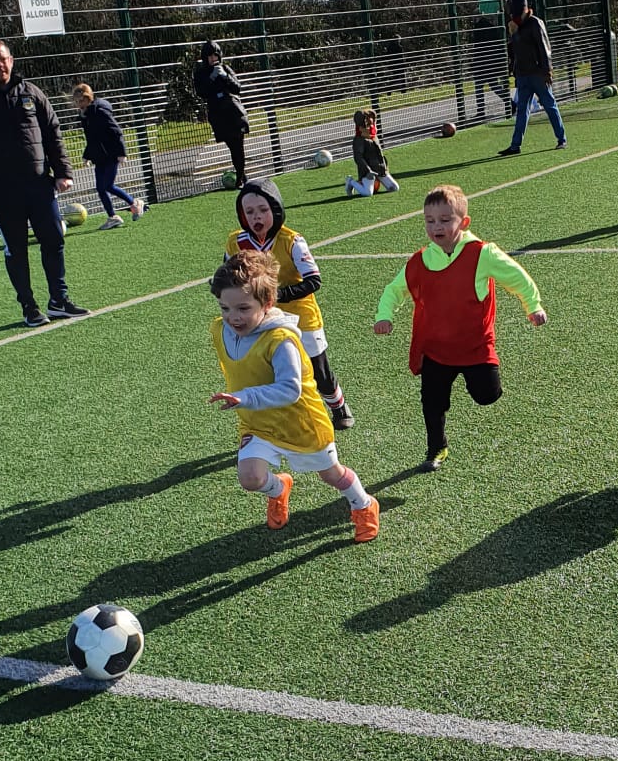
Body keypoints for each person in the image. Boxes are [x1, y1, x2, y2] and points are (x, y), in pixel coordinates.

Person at [373, 182, 547, 469]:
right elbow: (395, 289)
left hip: (475, 347)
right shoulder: (420, 260)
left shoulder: (482, 253)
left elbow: (517, 277)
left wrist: (533, 306)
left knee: (486, 395)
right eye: (430, 221)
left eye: (445, 220)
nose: (436, 227)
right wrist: (384, 316)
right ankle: (436, 448)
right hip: (435, 350)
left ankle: (481, 384)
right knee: (432, 402)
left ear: (464, 223)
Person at [208, 252, 379, 542]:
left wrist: (245, 396)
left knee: (331, 475)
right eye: (225, 307)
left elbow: (290, 389)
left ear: (268, 303)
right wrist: (244, 399)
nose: (233, 317)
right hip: (258, 423)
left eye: (243, 308)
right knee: (250, 478)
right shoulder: (219, 329)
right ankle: (279, 489)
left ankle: (363, 504)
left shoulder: (281, 340)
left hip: (301, 424)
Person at [0, 37, 87, 326]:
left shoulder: (32, 93)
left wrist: (63, 172)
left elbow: (52, 133)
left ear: (11, 60)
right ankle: (30, 307)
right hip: (2, 189)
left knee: (54, 239)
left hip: (39, 183)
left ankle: (59, 300)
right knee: (16, 248)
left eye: (3, 59)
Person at [225, 177, 355, 429]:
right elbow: (229, 276)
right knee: (269, 371)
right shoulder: (236, 242)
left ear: (275, 209)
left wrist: (275, 295)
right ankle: (279, 421)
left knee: (318, 371)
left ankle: (338, 406)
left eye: (263, 210)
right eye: (249, 212)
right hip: (262, 319)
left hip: (301, 315)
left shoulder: (292, 240)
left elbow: (314, 281)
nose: (256, 217)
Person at [500, 0, 567, 154]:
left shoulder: (535, 23)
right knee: (522, 110)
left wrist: (547, 70)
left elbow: (544, 48)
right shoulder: (515, 26)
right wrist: (513, 68)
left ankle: (561, 139)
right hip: (522, 74)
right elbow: (514, 52)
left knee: (549, 105)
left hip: (537, 73)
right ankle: (515, 145)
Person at [71, 82, 144, 229]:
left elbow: (116, 131)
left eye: (82, 101)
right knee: (100, 188)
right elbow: (92, 138)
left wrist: (122, 153)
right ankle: (113, 217)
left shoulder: (100, 111)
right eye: (77, 101)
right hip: (99, 157)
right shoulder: (85, 115)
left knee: (108, 185)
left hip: (111, 154)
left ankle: (135, 203)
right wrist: (87, 155)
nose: (79, 104)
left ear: (89, 98)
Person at [193, 42, 251, 186]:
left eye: (215, 55)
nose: (213, 58)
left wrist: (225, 76)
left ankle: (240, 179)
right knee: (232, 146)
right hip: (218, 115)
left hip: (234, 112)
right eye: (210, 56)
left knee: (238, 146)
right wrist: (211, 77)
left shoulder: (225, 68)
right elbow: (201, 92)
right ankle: (242, 176)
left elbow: (237, 88)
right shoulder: (201, 73)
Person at [346, 108, 399, 197]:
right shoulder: (359, 140)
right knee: (367, 193)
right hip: (368, 173)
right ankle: (351, 182)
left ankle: (374, 178)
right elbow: (358, 158)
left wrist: (384, 167)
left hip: (380, 170)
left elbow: (380, 154)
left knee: (394, 188)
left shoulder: (374, 136)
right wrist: (368, 171)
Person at [471, 9, 512, 121]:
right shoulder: (493, 28)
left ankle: (481, 111)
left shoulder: (478, 28)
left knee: (479, 86)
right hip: (493, 62)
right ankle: (509, 102)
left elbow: (477, 47)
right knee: (494, 85)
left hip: (482, 62)